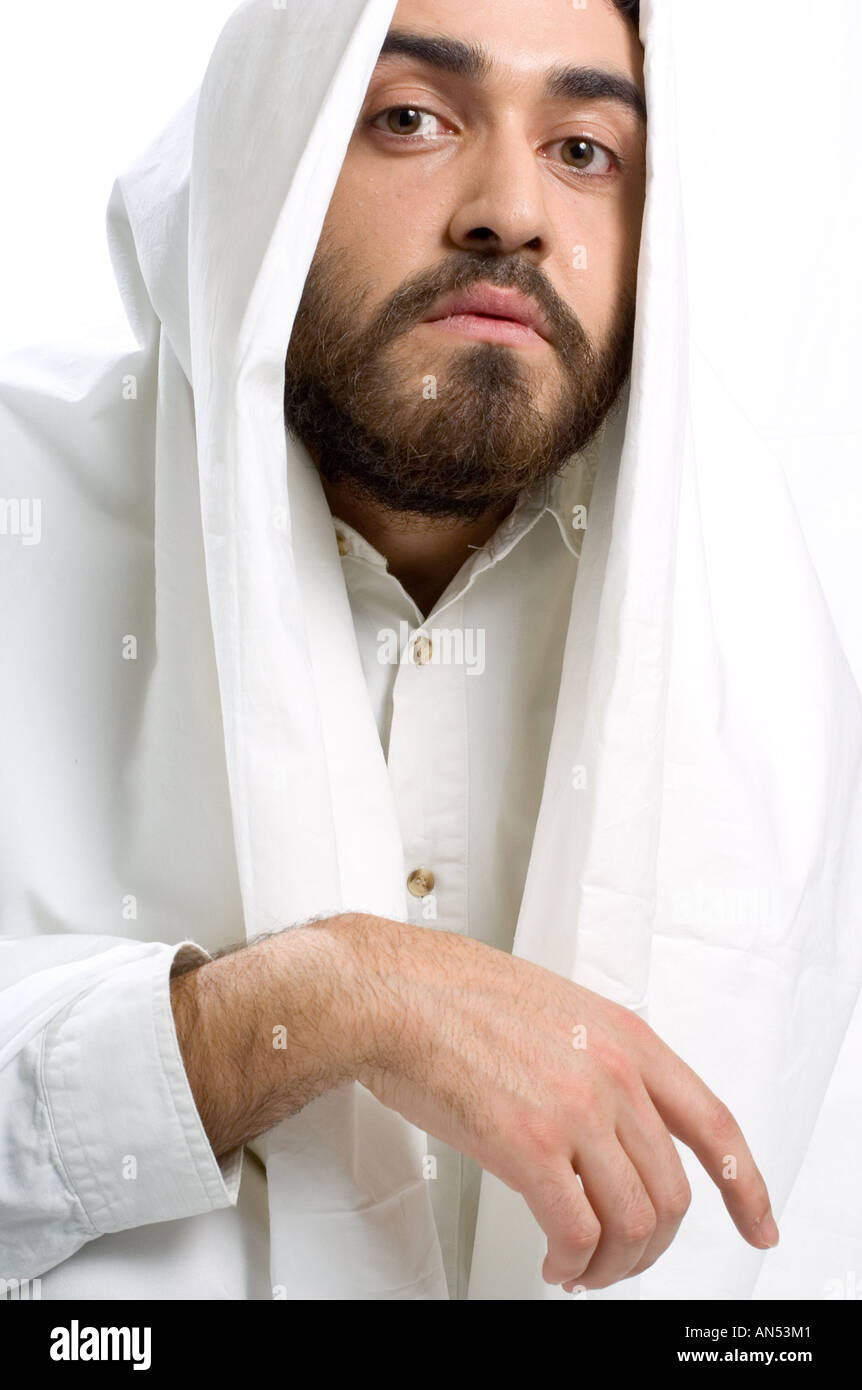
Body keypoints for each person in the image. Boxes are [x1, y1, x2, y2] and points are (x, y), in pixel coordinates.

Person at [2, 0, 859, 1303]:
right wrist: (326, 999)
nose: (511, 212)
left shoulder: (758, 654)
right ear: (269, 154)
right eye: (411, 118)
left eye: (584, 150)